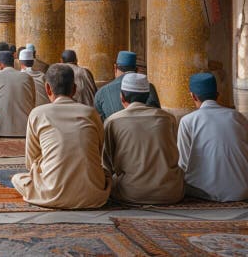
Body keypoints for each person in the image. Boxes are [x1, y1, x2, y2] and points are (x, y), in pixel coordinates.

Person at [11, 64, 111, 209]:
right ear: (74, 89)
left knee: (17, 178)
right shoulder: (90, 113)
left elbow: (30, 160)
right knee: (107, 176)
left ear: (47, 89)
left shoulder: (38, 113)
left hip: (52, 195)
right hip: (93, 196)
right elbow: (99, 150)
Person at [102, 73, 184, 205]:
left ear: (122, 97)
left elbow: (106, 163)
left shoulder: (112, 121)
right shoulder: (167, 119)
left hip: (130, 193)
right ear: (147, 97)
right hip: (170, 192)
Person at [177, 72, 248, 202]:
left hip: (205, 192)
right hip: (243, 189)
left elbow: (183, 163)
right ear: (217, 95)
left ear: (193, 96)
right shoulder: (238, 117)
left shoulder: (188, 121)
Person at [94, 51, 160, 121]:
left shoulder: (101, 92)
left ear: (115, 68)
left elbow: (100, 125)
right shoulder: (149, 87)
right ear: (136, 69)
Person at [0, 51, 35, 137]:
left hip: (1, 130)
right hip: (25, 130)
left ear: (0, 64)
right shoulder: (27, 77)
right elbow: (32, 101)